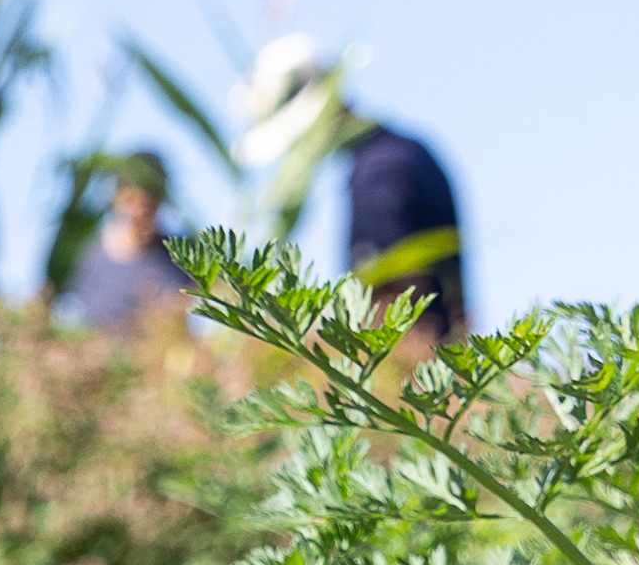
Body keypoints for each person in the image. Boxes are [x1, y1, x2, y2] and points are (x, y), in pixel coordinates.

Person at [231, 34, 470, 352]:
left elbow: (392, 293)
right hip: (445, 355)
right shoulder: (408, 151)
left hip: (413, 368)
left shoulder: (378, 174)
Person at [62, 151, 192, 333]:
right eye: (133, 201)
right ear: (117, 199)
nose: (140, 212)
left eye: (149, 204)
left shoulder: (182, 256)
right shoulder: (87, 253)